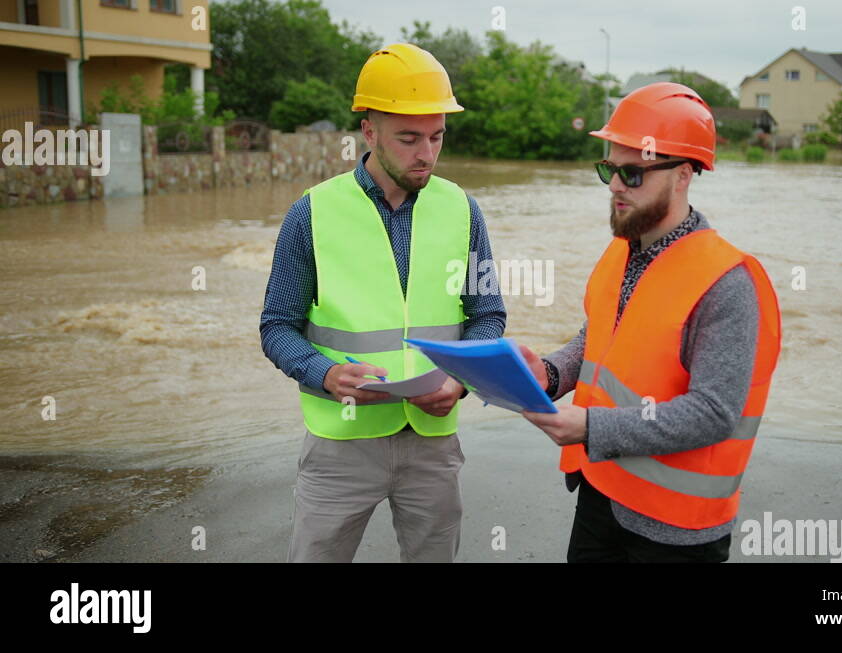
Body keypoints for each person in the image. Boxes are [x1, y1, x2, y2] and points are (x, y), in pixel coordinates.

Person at [259, 43, 506, 563]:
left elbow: (489, 317)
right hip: (340, 441)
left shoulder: (464, 210)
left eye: (437, 136)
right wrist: (323, 372)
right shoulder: (311, 214)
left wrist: (460, 381)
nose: (426, 154)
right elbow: (277, 327)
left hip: (432, 441)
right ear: (369, 131)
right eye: (409, 138)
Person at [519, 82, 782, 563]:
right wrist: (550, 373)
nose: (616, 185)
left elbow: (714, 412)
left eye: (633, 173)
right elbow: (599, 339)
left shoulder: (727, 283)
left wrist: (593, 428)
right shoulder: (623, 248)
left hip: (675, 532)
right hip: (600, 491)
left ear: (683, 176)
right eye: (609, 169)